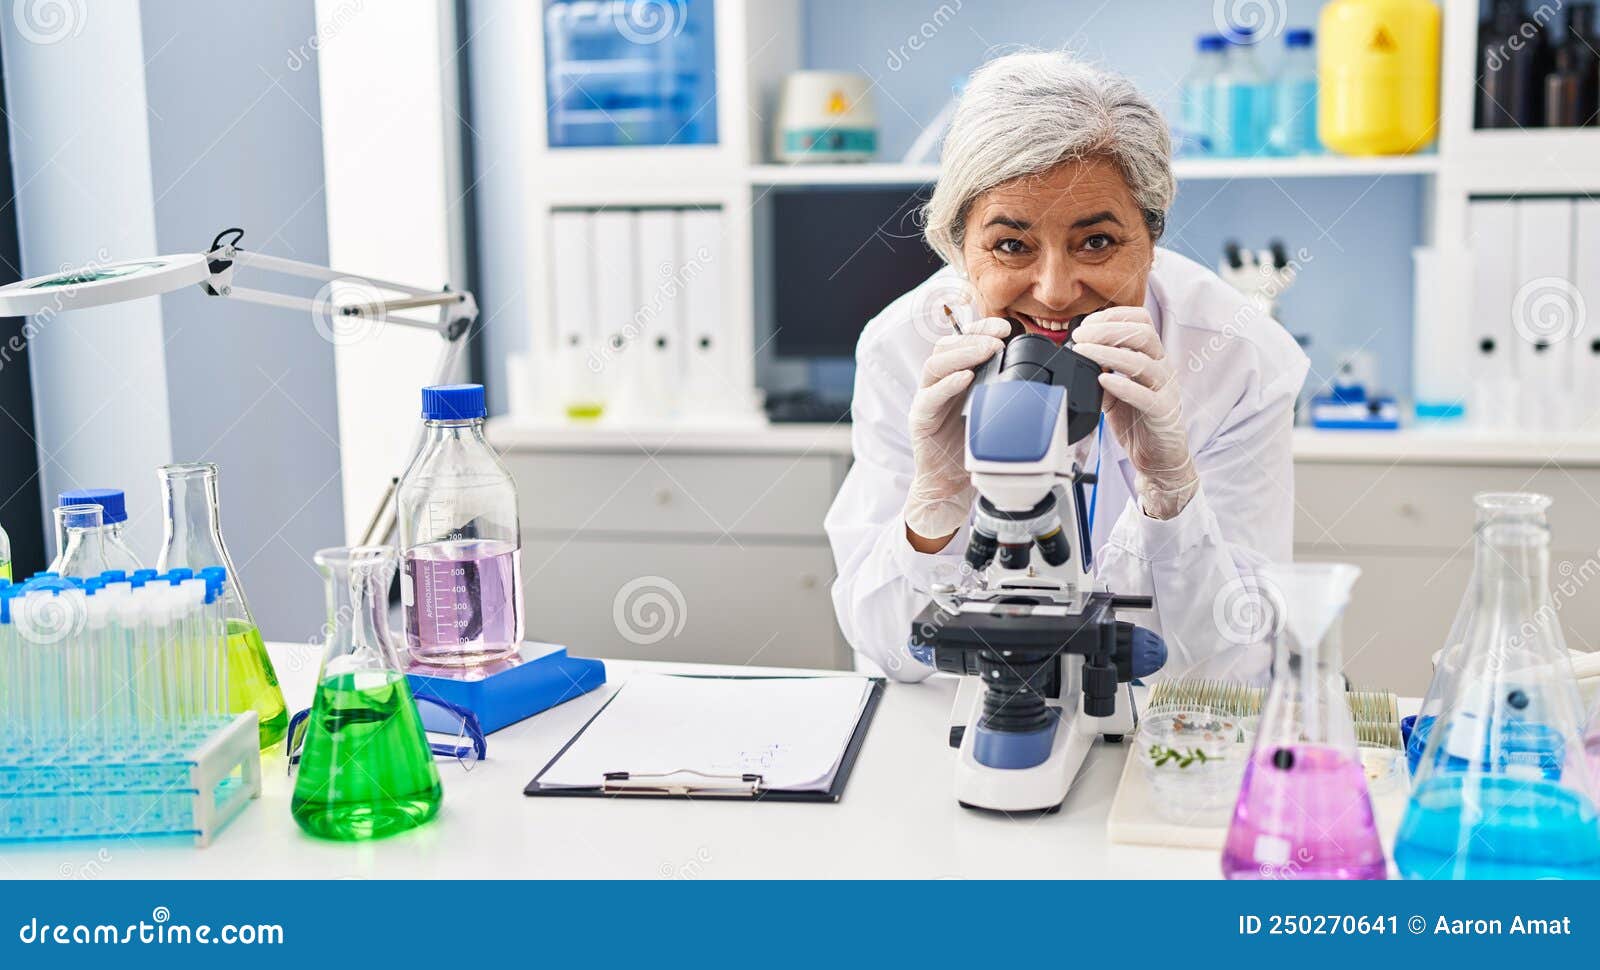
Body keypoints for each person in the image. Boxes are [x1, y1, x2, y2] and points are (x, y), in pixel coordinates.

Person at [825, 51, 1309, 684]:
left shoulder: (1240, 359)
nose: (1054, 290)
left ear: (1152, 237)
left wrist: (1170, 494)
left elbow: (1232, 664)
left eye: (1097, 241)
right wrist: (936, 499)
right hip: (954, 720)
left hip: (1153, 732)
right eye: (1010, 244)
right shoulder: (903, 348)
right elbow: (889, 650)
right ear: (958, 249)